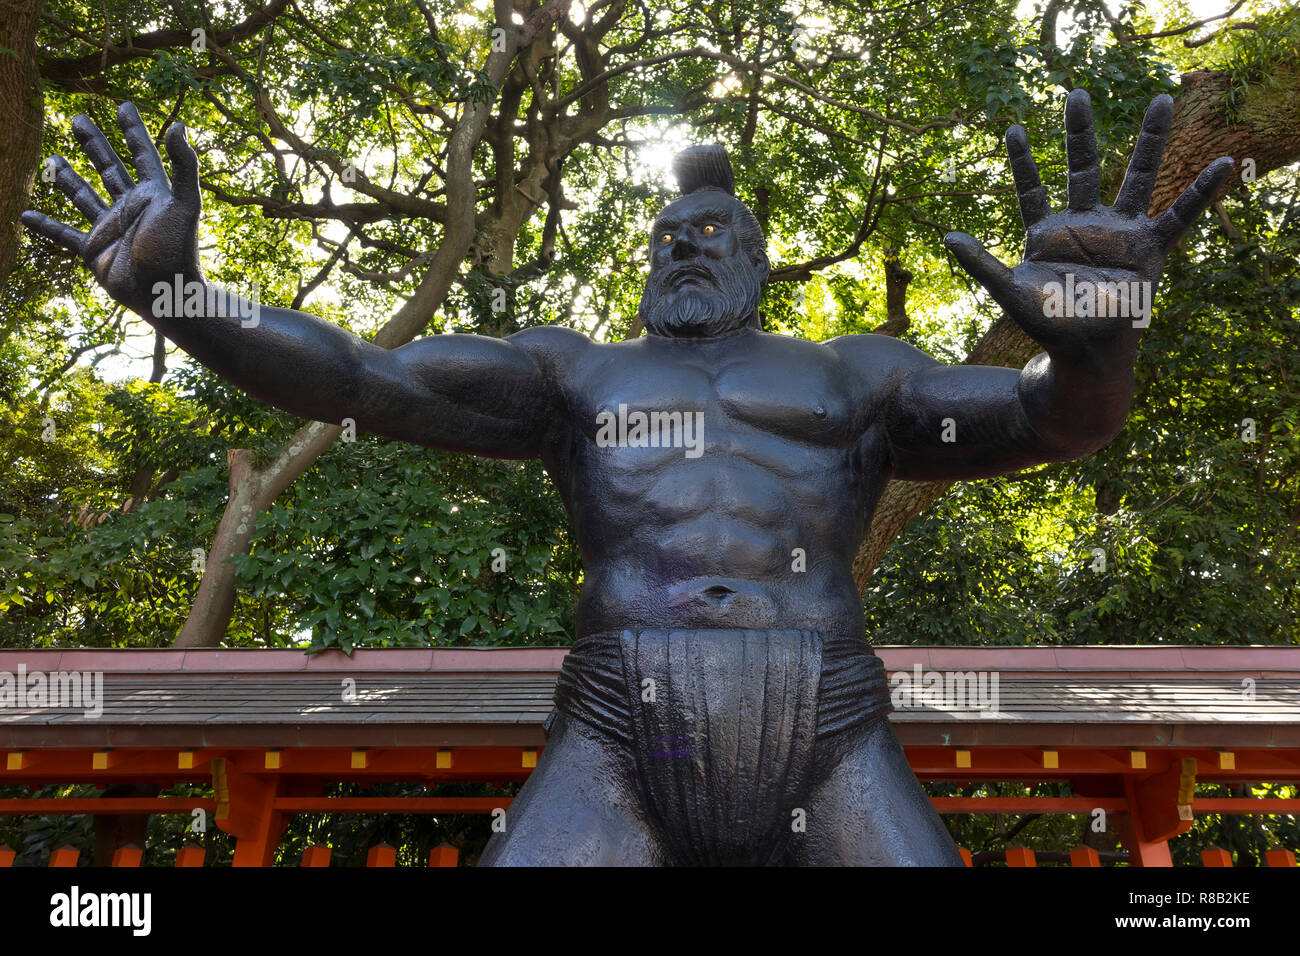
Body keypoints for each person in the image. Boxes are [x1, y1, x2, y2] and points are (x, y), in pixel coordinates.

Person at [23, 90, 1232, 865]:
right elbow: (355, 375)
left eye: (707, 234)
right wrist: (181, 298)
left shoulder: (856, 375)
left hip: (826, 712)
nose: (678, 247)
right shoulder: (573, 376)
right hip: (619, 716)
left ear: (758, 256)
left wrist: (1097, 344)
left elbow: (1049, 423)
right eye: (663, 235)